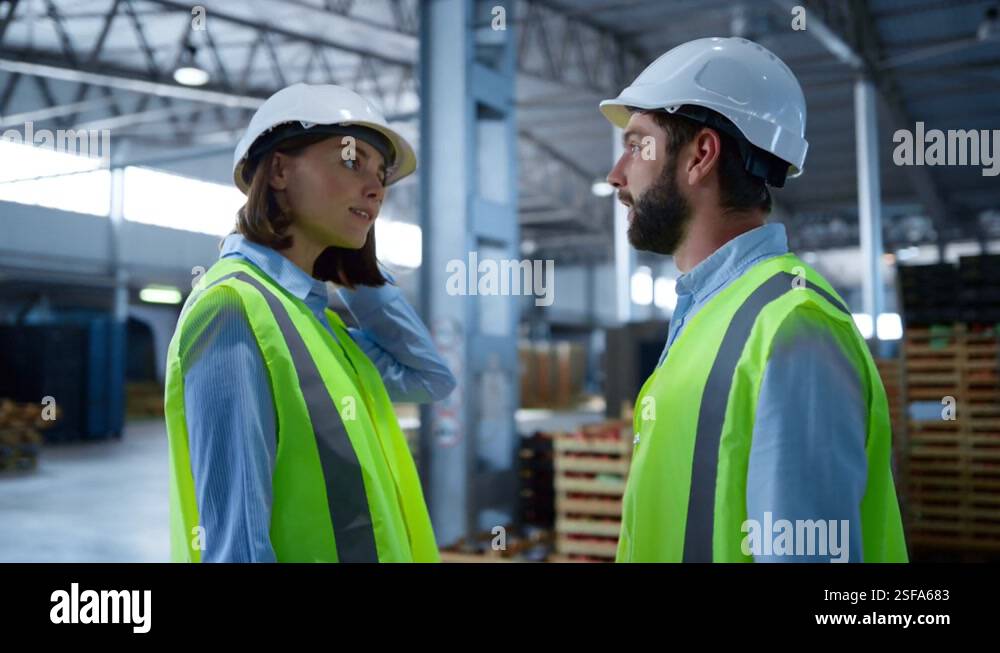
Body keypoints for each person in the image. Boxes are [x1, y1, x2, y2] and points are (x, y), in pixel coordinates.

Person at [601, 37, 907, 562]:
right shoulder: (710, 313)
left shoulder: (794, 325)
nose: (617, 176)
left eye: (637, 145)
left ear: (700, 155)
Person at [164, 83, 455, 562]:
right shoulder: (233, 308)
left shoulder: (318, 325)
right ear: (279, 169)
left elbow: (431, 378)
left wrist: (356, 277)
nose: (376, 188)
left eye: (381, 175)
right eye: (351, 160)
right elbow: (236, 545)